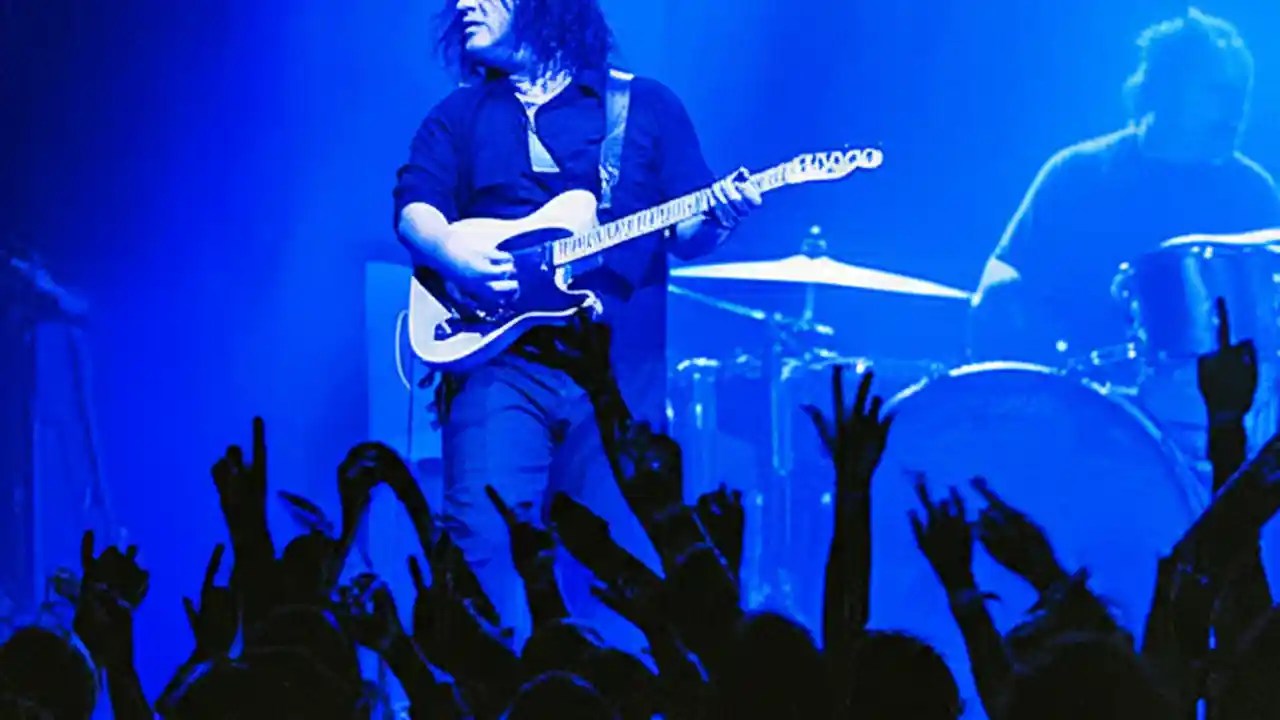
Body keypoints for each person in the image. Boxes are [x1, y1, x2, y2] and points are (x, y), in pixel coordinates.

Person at [392, 0, 760, 652]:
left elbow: (689, 233)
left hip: (621, 382)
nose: (461, 3)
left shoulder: (645, 108)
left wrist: (722, 214)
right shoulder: (460, 115)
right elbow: (415, 209)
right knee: (484, 558)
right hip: (497, 370)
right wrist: (453, 251)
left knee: (619, 576)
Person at [968, 7, 1280, 366]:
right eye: (1219, 91)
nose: (1236, 108)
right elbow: (1007, 272)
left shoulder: (1253, 193)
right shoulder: (1077, 174)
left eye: (1242, 94)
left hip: (1211, 405)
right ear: (1165, 88)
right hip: (1081, 397)